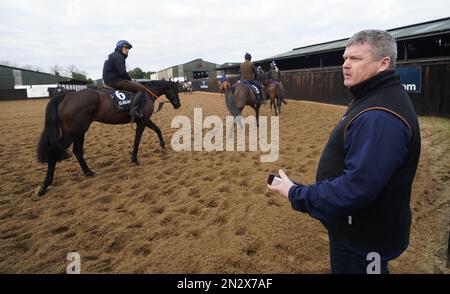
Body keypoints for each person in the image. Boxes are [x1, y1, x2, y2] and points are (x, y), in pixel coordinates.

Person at [268, 30, 421, 274]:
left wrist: (297, 194)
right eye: (345, 58)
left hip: (362, 237)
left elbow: (357, 188)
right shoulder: (373, 97)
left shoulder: (379, 116)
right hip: (358, 226)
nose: (345, 65)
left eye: (356, 59)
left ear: (384, 63)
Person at [102, 40, 147, 122]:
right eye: (126, 48)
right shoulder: (119, 57)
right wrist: (130, 79)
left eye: (128, 49)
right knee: (141, 89)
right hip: (115, 81)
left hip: (109, 80)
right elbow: (122, 72)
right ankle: (133, 111)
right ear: (120, 48)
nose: (127, 50)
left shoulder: (113, 55)